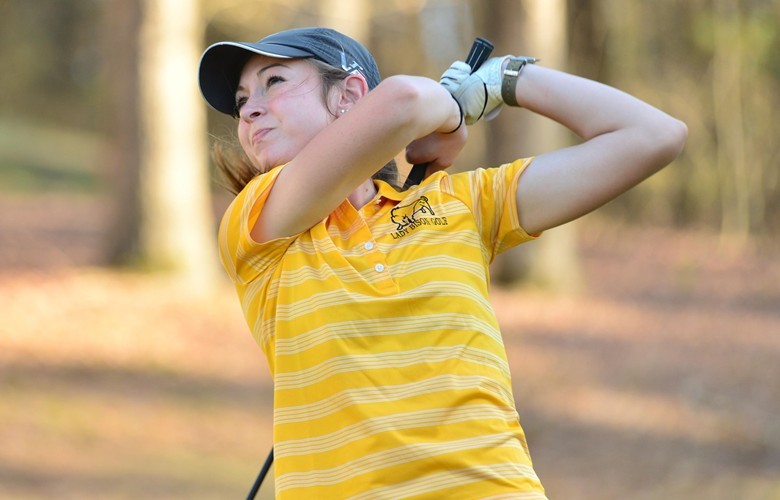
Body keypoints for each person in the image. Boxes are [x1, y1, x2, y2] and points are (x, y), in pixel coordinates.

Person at [198, 27, 687, 499]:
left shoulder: (462, 203)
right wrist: (452, 116)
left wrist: (505, 81)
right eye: (242, 102)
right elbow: (406, 102)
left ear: (349, 94)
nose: (250, 110)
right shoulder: (258, 224)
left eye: (274, 82)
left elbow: (653, 135)